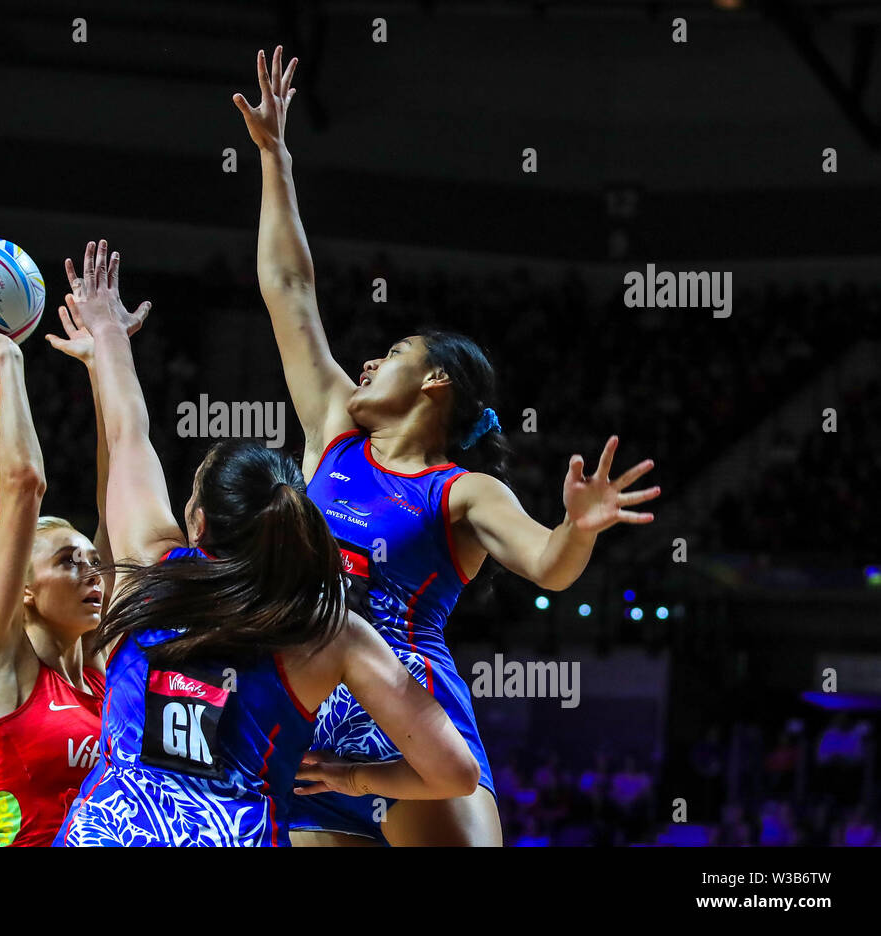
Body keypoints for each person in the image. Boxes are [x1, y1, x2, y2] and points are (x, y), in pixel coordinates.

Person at [234, 46, 661, 845]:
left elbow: (548, 568)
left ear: (436, 385)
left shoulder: (461, 491)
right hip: (309, 720)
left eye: (392, 352)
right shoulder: (332, 433)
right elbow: (288, 291)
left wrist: (581, 527)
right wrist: (274, 158)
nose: (365, 362)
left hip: (407, 729)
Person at [53, 239, 480, 847]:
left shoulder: (150, 568)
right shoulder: (329, 632)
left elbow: (128, 436)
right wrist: (352, 777)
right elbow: (456, 773)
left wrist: (109, 335)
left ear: (198, 524)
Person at [0, 248, 151, 846]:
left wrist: (106, 359)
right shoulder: (0, 661)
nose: (92, 571)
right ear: (24, 589)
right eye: (66, 561)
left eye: (89, 558)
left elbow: (116, 496)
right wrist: (7, 359)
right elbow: (24, 486)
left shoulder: (106, 666)